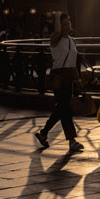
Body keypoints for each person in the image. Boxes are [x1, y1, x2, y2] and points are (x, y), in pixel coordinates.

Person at [34, 13, 83, 152]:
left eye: (68, 23)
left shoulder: (71, 40)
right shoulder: (55, 39)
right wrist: (56, 16)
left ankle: (43, 133)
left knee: (61, 107)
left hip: (69, 75)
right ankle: (72, 140)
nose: (67, 26)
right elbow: (56, 31)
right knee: (65, 108)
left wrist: (77, 79)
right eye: (64, 24)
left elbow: (73, 63)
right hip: (59, 76)